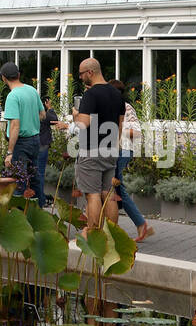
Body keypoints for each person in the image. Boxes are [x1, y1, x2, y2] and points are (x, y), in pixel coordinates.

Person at [72, 57, 124, 232]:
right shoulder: (117, 94)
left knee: (92, 195)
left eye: (81, 74)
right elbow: (120, 124)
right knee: (108, 194)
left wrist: (75, 115)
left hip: (91, 150)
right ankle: (112, 236)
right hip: (110, 149)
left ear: (90, 72)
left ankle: (93, 235)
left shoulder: (91, 94)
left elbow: (83, 123)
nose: (80, 78)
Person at [109, 78, 154, 243]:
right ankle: (139, 225)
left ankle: (140, 225)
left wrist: (117, 130)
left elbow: (137, 132)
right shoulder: (112, 106)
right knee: (115, 188)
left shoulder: (126, 107)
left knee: (116, 188)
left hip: (123, 150)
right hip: (114, 150)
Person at [0, 62, 45, 196]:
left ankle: (19, 213)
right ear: (18, 75)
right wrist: (31, 121)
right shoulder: (31, 90)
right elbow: (43, 114)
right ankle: (38, 212)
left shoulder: (12, 96)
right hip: (35, 140)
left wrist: (9, 152)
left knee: (19, 182)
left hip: (21, 143)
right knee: (35, 179)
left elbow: (15, 125)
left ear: (3, 78)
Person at [35, 99, 61, 208]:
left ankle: (36, 198)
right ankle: (41, 199)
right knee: (40, 173)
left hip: (32, 144)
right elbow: (54, 119)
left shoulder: (30, 113)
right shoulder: (43, 115)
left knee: (33, 173)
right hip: (42, 145)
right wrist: (50, 108)